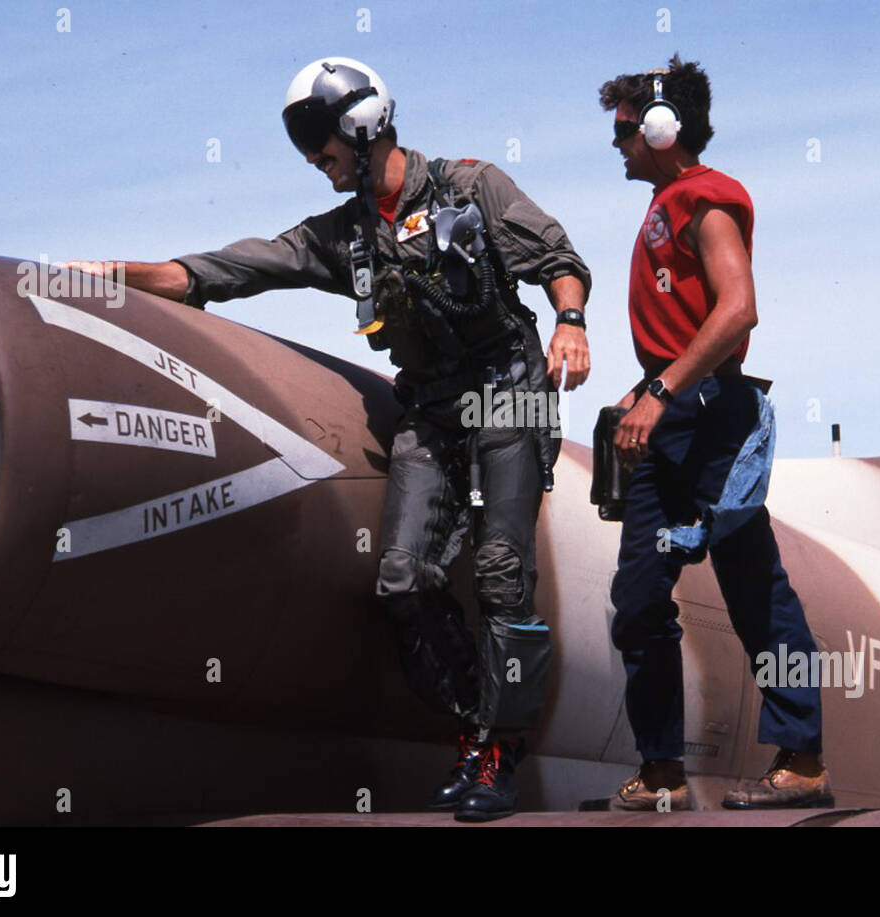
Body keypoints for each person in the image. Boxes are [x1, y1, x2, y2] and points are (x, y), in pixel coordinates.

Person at [67, 57, 591, 821]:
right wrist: (112, 277)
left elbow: (558, 259)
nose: (317, 162)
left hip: (507, 390)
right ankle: (481, 725)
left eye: (322, 145)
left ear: (362, 124)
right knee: (403, 581)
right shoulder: (345, 236)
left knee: (504, 574)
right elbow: (230, 268)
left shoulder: (470, 188)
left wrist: (571, 325)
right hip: (432, 408)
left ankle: (498, 758)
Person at [596, 55, 830, 810]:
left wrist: (662, 388)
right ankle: (662, 769)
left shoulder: (708, 198)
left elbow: (737, 311)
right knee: (637, 600)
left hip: (706, 415)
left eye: (626, 128)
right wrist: (647, 388)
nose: (618, 142)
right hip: (673, 417)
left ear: (663, 128)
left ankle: (802, 760)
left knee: (755, 591)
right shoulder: (668, 200)